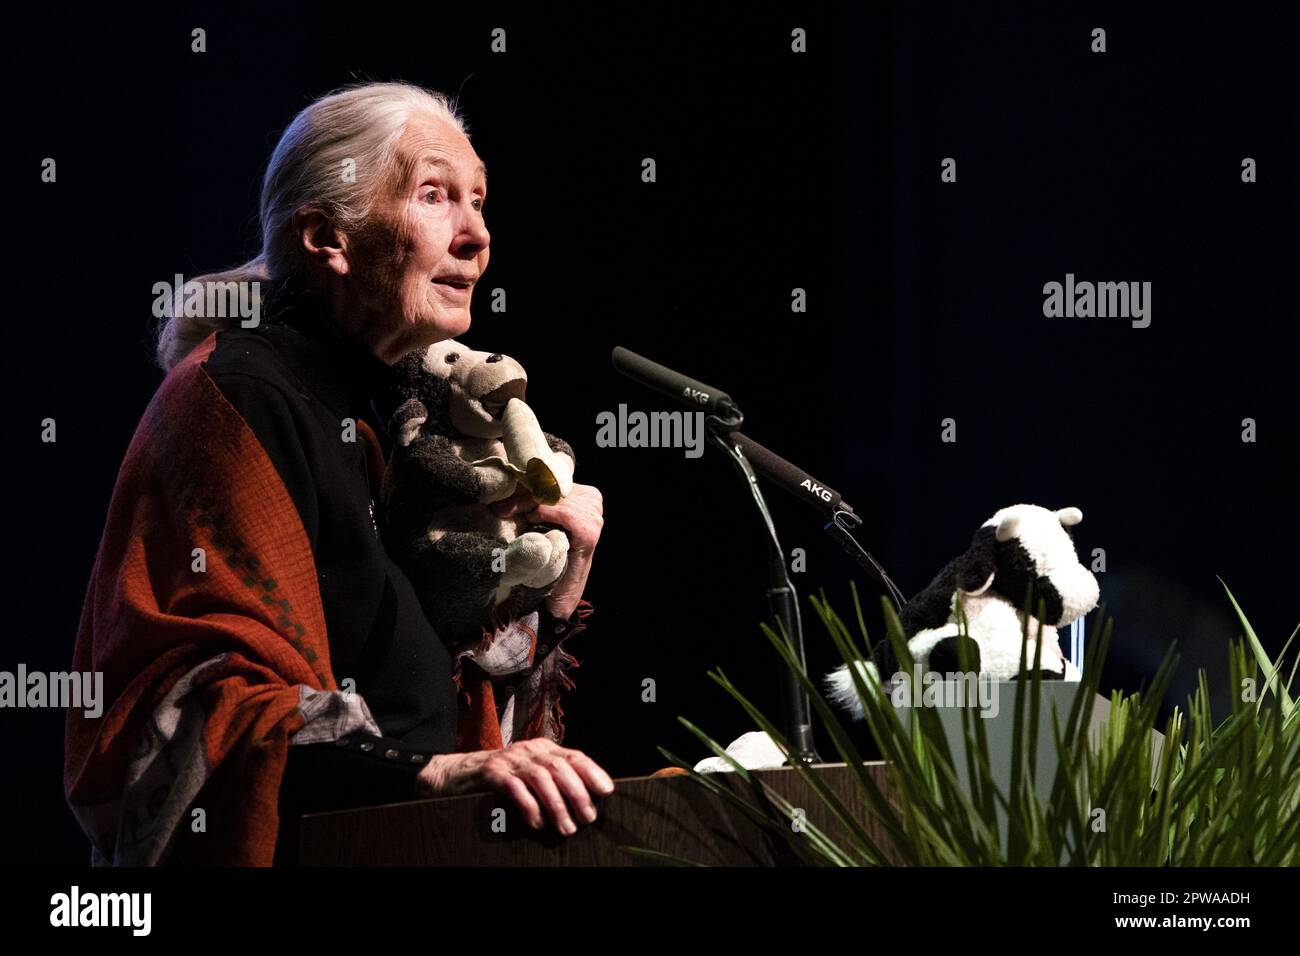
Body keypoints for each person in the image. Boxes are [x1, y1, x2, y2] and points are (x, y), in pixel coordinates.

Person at [64, 82, 613, 866]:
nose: (476, 237)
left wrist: (551, 597)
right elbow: (188, 699)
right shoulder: (237, 396)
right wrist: (428, 772)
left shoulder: (397, 416)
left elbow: (437, 685)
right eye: (435, 195)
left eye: (480, 202)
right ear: (328, 235)